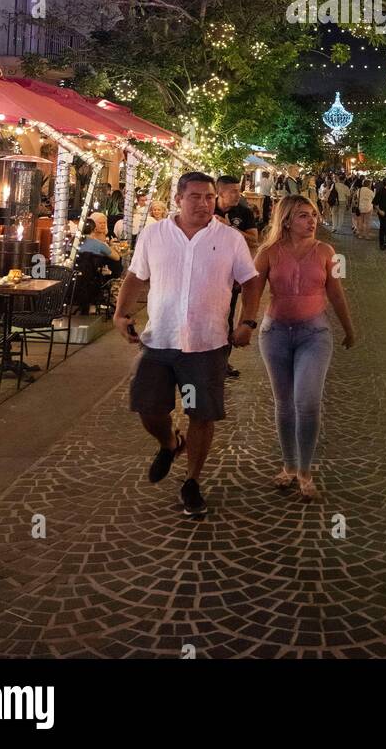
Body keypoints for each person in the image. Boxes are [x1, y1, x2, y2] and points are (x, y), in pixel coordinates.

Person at [113, 172, 260, 519]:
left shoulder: (229, 239)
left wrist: (247, 321)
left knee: (201, 413)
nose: (203, 203)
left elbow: (250, 282)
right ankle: (168, 442)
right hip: (160, 340)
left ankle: (191, 481)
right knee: (148, 407)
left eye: (209, 197)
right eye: (195, 197)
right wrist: (121, 314)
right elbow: (136, 276)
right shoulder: (154, 234)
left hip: (206, 344)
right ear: (178, 199)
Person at [253, 195, 355, 499]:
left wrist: (349, 329)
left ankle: (306, 469)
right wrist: (243, 325)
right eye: (302, 216)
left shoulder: (327, 251)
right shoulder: (268, 253)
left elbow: (336, 293)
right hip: (275, 335)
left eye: (313, 215)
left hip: (315, 334)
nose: (312, 221)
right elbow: (252, 294)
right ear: (286, 220)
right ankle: (289, 465)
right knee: (284, 404)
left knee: (307, 402)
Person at [214, 175, 258, 382]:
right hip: (206, 272)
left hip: (231, 275)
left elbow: (254, 241)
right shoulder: (207, 210)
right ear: (219, 192)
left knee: (226, 317)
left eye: (238, 190)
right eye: (232, 191)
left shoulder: (244, 212)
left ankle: (222, 362)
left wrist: (229, 228)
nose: (237, 194)